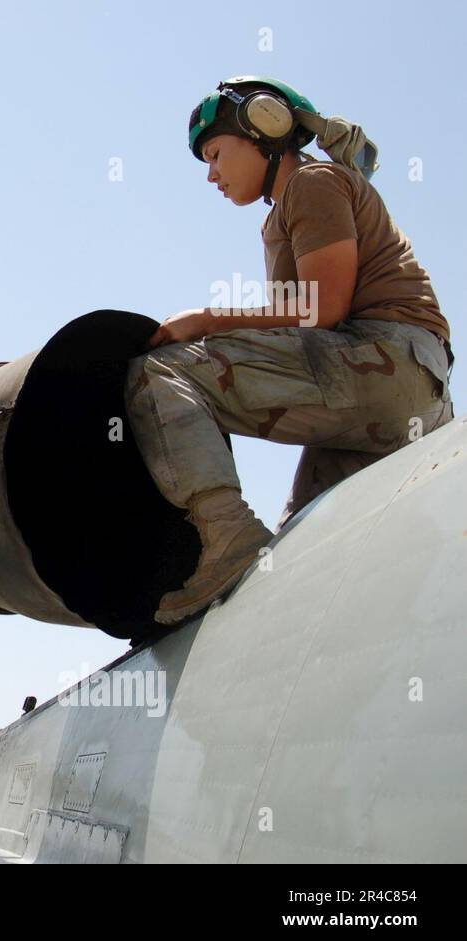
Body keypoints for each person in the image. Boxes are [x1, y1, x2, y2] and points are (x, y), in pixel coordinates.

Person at [126, 76, 453, 625]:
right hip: (402, 391)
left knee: (158, 372)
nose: (211, 174)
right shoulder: (290, 205)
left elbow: (322, 309)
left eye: (214, 154)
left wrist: (208, 322)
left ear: (264, 129)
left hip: (383, 360)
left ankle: (225, 535)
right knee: (300, 556)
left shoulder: (313, 183)